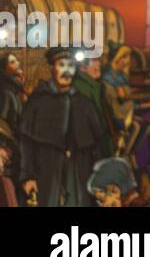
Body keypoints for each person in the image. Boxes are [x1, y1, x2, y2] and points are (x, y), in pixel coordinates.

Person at [18, 48, 106, 206]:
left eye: (71, 66)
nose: (66, 71)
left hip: (79, 169)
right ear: (53, 68)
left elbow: (97, 143)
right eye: (62, 65)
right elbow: (26, 142)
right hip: (47, 167)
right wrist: (28, 176)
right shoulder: (38, 101)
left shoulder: (84, 103)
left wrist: (100, 178)